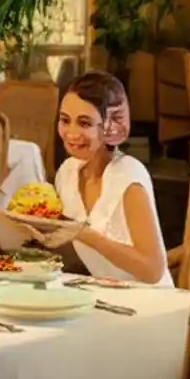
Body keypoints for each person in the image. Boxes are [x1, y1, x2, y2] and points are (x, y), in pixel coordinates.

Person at [17, 71, 173, 287]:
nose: (71, 134)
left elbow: (153, 270)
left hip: (153, 304)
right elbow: (50, 229)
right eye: (65, 120)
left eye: (84, 123)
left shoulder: (128, 176)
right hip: (106, 298)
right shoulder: (68, 172)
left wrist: (83, 233)